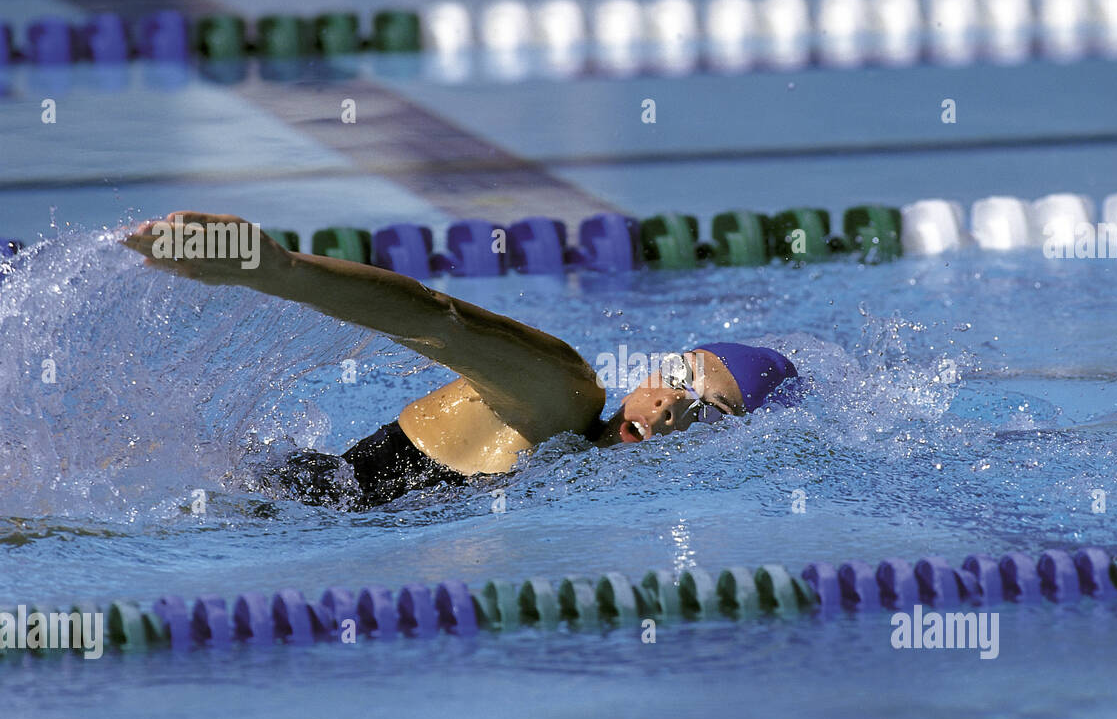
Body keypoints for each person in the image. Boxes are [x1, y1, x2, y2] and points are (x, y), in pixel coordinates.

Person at [124, 212, 799, 508]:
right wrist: (274, 269)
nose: (675, 404)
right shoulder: (561, 391)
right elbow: (433, 319)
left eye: (709, 412)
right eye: (682, 378)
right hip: (251, 505)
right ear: (654, 371)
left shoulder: (587, 480)